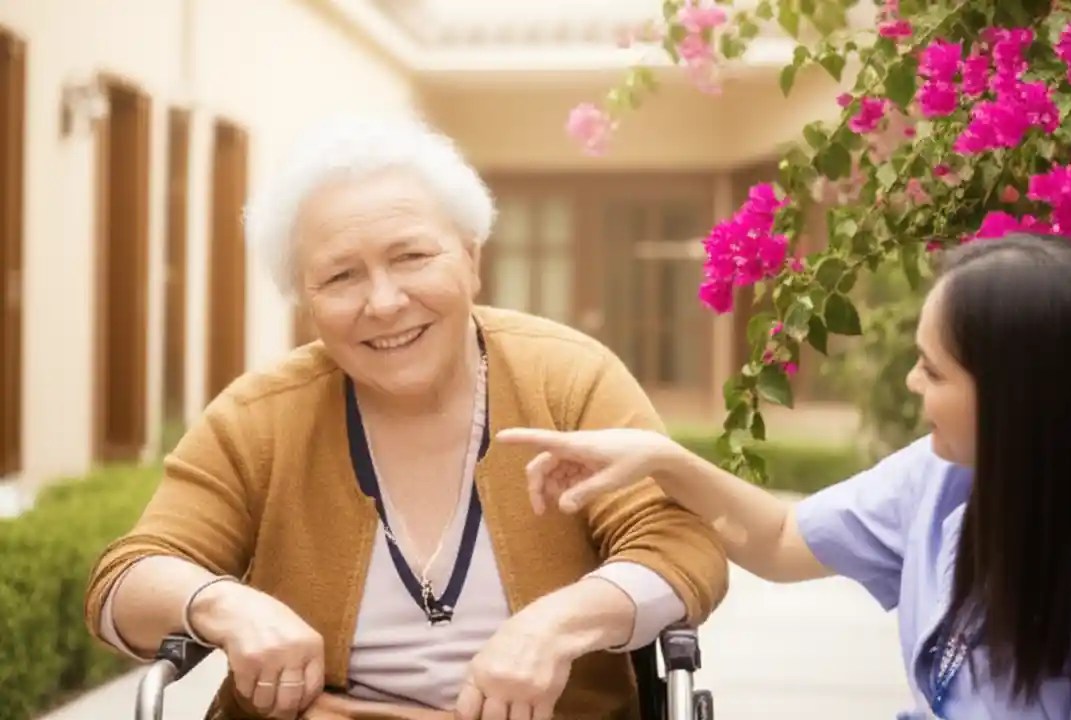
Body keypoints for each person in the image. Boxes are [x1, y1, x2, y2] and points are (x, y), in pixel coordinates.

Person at [83, 116, 728, 720]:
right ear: (304, 300)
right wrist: (222, 605)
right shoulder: (261, 417)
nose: (385, 302)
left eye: (412, 257)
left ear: (471, 259)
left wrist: (558, 624)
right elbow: (125, 581)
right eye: (340, 277)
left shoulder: (567, 378)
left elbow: (681, 546)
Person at [496, 233, 1071, 719]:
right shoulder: (942, 482)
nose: (912, 383)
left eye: (932, 367)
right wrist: (661, 461)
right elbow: (783, 539)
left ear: (1022, 404)